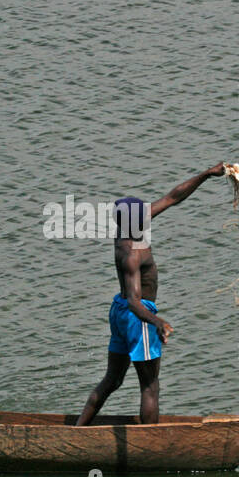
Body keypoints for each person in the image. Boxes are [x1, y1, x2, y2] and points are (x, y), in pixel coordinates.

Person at [76, 164, 226, 426]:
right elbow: (135, 301)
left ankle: (78, 430)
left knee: (113, 380)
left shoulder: (128, 230)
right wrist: (157, 322)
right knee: (150, 386)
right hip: (138, 315)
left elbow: (173, 197)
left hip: (120, 309)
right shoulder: (131, 252)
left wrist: (206, 175)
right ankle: (150, 442)